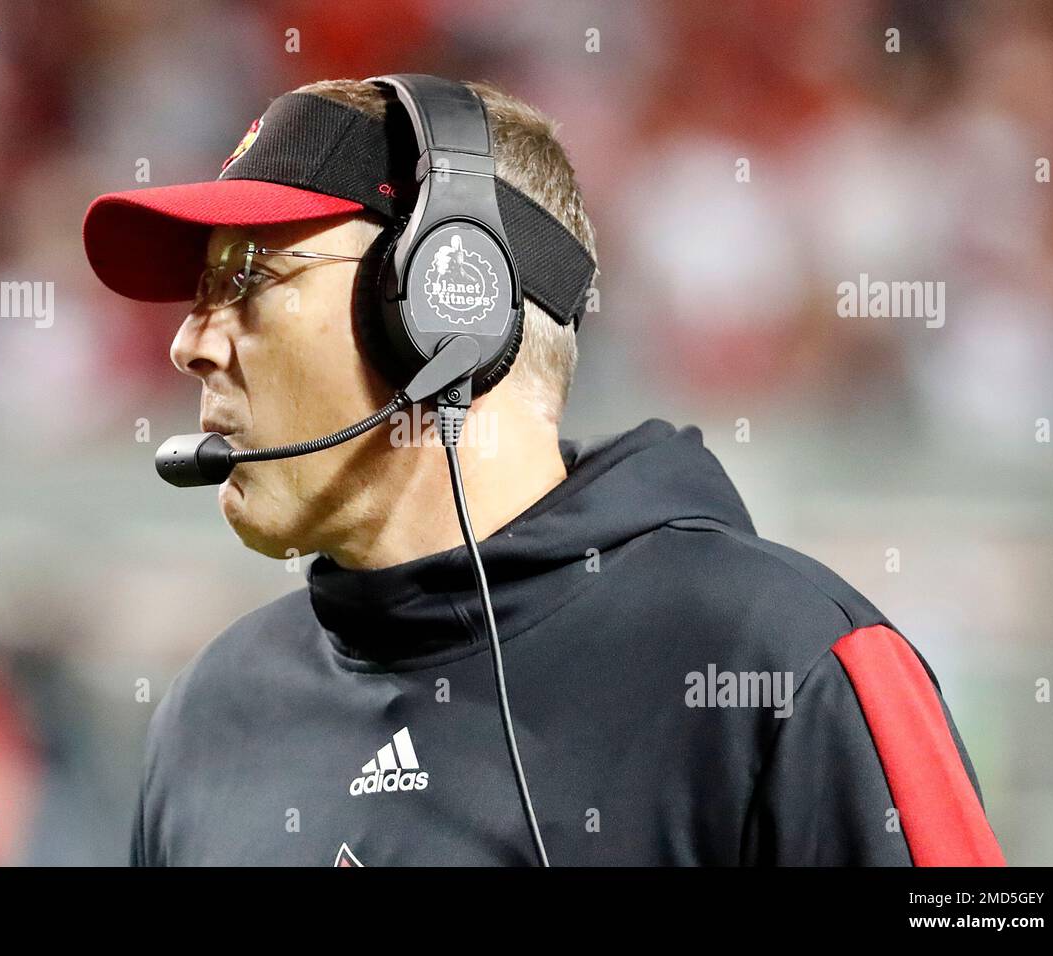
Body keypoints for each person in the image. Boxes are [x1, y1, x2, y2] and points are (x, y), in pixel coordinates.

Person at [82, 77, 1006, 866]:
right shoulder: (214, 711)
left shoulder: (784, 660)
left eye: (244, 279)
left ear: (447, 305)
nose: (187, 344)